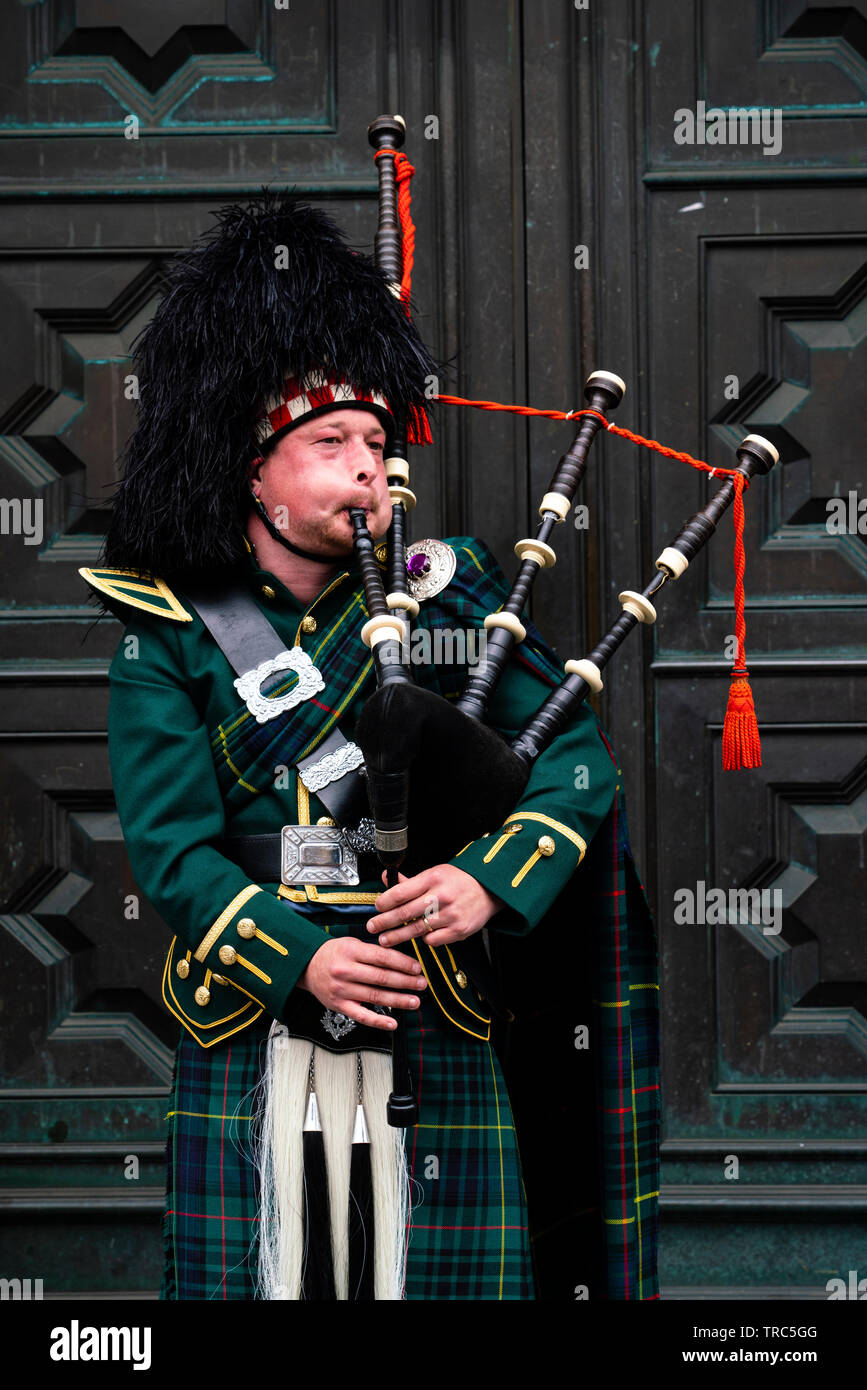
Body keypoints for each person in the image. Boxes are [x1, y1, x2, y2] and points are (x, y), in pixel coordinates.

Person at [81, 194, 660, 1301]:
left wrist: (488, 882)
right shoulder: (169, 633)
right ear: (251, 470)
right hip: (256, 1022)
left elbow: (582, 767)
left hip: (434, 1004)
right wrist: (303, 958)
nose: (367, 468)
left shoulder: (456, 595)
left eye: (379, 443)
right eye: (329, 442)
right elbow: (172, 853)